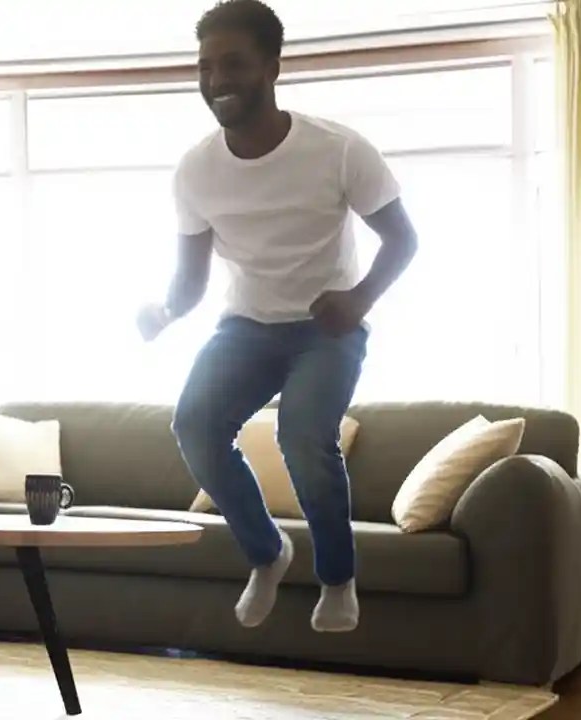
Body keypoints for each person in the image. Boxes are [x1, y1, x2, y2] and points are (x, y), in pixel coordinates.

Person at [137, 0, 417, 633]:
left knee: (302, 435)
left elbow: (403, 239)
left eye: (233, 64)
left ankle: (337, 578)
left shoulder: (339, 150)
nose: (216, 81)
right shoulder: (197, 169)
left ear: (272, 66)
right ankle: (267, 552)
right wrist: (162, 312)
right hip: (246, 326)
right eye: (205, 67)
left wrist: (360, 299)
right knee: (195, 425)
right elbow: (190, 281)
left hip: (328, 326)